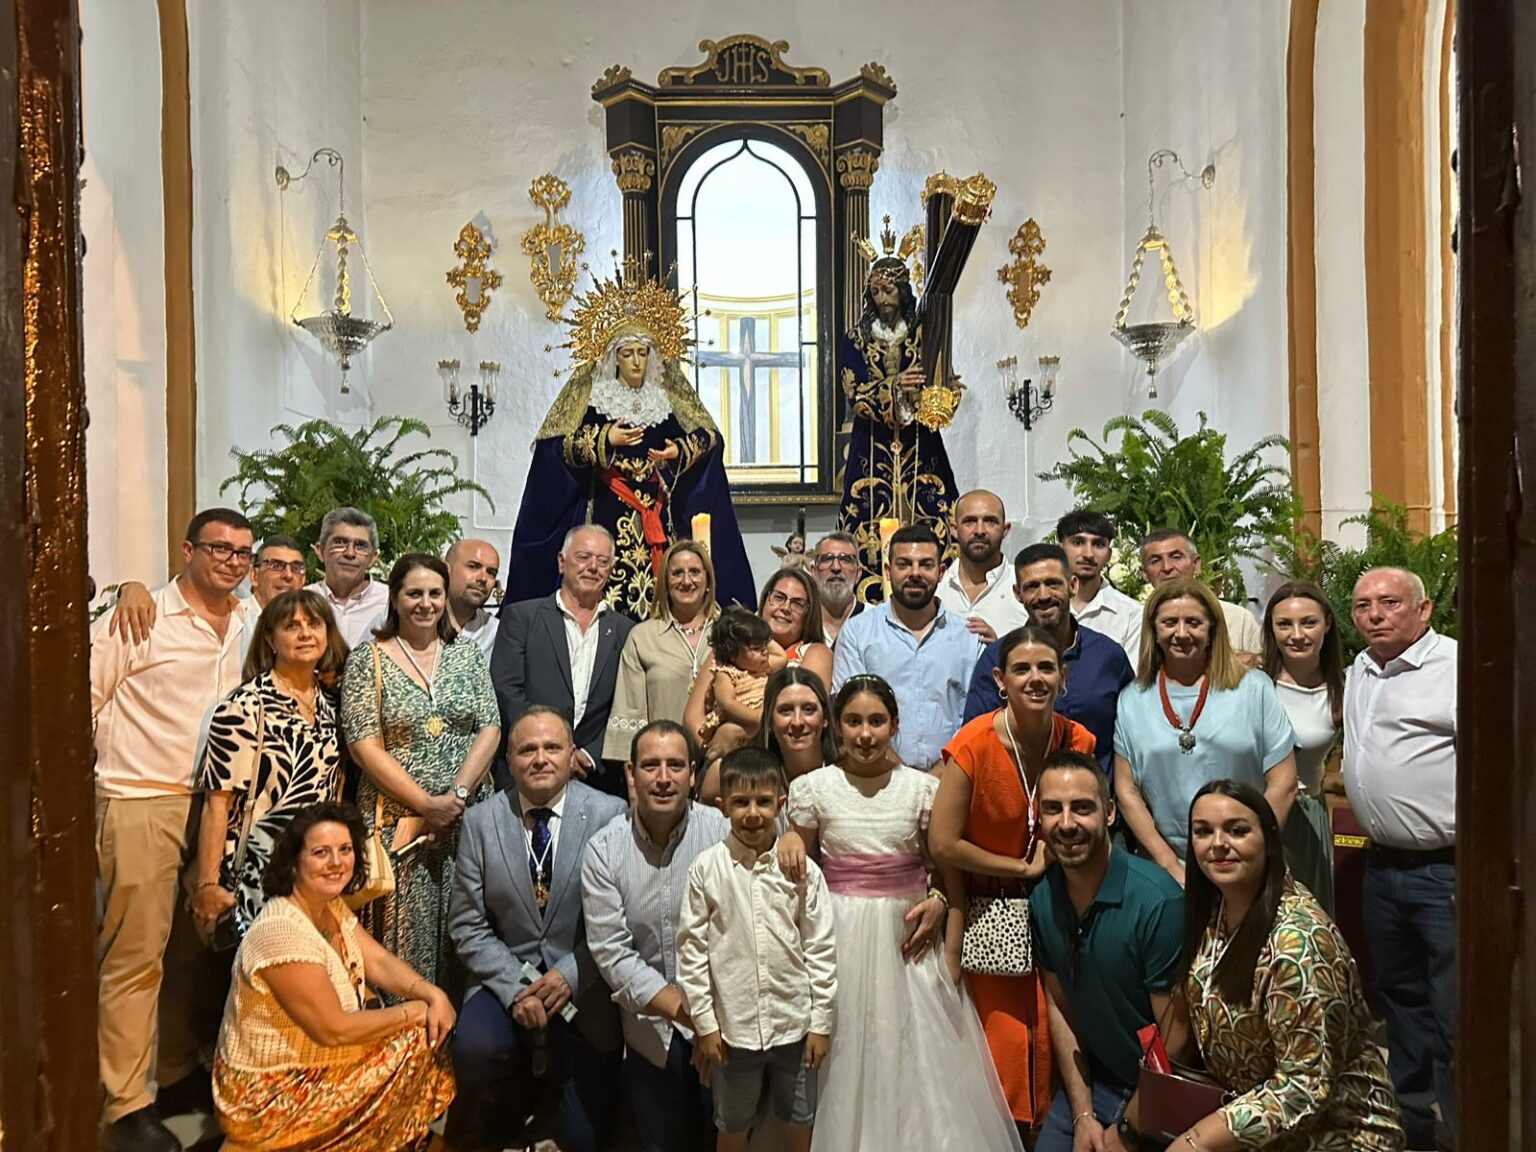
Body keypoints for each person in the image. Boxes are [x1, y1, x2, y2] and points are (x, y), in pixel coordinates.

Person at [778, 676, 1024, 1151]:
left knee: (914, 1058)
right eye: (853, 721)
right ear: (836, 726)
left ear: (895, 725)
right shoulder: (814, 789)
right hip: (838, 941)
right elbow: (801, 871)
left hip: (907, 943)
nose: (865, 734)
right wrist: (788, 836)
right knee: (846, 1053)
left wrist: (946, 924)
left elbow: (947, 872)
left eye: (876, 721)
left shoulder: (921, 790)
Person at [91, 506, 255, 1152]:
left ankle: (175, 1071)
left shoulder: (246, 621)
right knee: (135, 952)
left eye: (242, 553)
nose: (232, 562)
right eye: (219, 549)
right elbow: (84, 698)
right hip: (142, 796)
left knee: (191, 946)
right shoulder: (141, 617)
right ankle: (124, 1102)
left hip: (215, 804)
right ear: (188, 550)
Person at [506, 265, 754, 618]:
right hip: (606, 508)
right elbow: (554, 448)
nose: (636, 362)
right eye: (627, 354)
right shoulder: (591, 393)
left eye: (643, 353)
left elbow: (709, 437)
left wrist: (678, 450)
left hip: (659, 513)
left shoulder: (668, 392)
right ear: (613, 358)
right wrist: (604, 438)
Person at [1170, 780, 1406, 1151]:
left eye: (1237, 830)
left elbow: (1303, 1087)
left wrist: (1196, 1141)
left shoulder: (1299, 943)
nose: (1218, 844)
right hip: (1259, 1125)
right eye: (1203, 831)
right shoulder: (1216, 911)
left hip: (1342, 1134)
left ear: (1268, 838)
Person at [211, 802, 456, 1151]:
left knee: (426, 1029)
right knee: (417, 1037)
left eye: (345, 849)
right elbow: (334, 1029)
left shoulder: (328, 906)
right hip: (265, 1094)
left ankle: (394, 1134)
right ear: (293, 862)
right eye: (321, 853)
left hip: (312, 1064)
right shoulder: (281, 930)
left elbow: (379, 962)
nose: (337, 862)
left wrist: (433, 994)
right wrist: (412, 1011)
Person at [933, 626, 1097, 1132]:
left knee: (1056, 1036)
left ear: (1063, 678)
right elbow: (943, 843)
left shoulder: (1077, 740)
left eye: (1046, 668)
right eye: (1021, 669)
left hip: (1059, 908)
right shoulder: (974, 743)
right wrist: (1020, 868)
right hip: (991, 909)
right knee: (1003, 1046)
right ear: (1001, 680)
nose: (1035, 679)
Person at [447, 707, 626, 1152]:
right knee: (476, 1048)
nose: (540, 758)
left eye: (552, 747)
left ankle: (557, 1104)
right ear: (509, 760)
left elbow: (621, 919)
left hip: (584, 983)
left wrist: (571, 974)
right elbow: (467, 923)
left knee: (583, 1140)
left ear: (571, 755)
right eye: (527, 749)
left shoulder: (610, 813)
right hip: (506, 975)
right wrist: (516, 989)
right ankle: (508, 1109)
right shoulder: (481, 821)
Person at [340, 553, 501, 989]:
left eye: (434, 593)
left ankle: (461, 1027)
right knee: (402, 942)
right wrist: (427, 804)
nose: (426, 603)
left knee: (465, 933)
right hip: (400, 827)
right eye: (414, 593)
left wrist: (457, 797)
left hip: (465, 820)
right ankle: (407, 1029)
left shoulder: (465, 653)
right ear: (395, 598)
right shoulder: (368, 660)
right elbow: (363, 746)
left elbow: (490, 726)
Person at [1343, 567, 1457, 1152]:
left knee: (1455, 1008)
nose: (1374, 615)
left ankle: (1466, 1127)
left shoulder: (1455, 667)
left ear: (1424, 608)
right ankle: (1411, 1124)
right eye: (1363, 606)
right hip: (1382, 866)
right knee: (1399, 1000)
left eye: (1389, 603)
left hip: (1447, 868)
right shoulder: (1360, 668)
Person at [677, 747, 838, 1152]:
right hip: (735, 1031)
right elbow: (691, 952)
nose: (752, 813)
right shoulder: (706, 870)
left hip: (794, 1024)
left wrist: (821, 1023)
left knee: (799, 1120)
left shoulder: (802, 871)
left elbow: (819, 948)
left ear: (780, 804)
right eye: (741, 803)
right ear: (722, 806)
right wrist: (705, 1024)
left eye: (764, 802)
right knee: (732, 1125)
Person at [581, 720, 731, 1152]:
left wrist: (712, 1020)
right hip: (652, 1030)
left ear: (693, 774)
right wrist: (690, 1016)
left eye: (675, 765)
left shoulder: (723, 834)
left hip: (726, 1022)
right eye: (651, 766)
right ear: (631, 774)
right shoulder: (604, 850)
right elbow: (613, 955)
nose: (663, 778)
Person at [1028, 753, 1185, 1152]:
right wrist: (1082, 1114)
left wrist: (1127, 1132)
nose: (1066, 824)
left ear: (1110, 812)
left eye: (1082, 808)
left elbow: (1176, 1041)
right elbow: (1061, 1008)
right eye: (1053, 809)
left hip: (1162, 1089)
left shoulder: (1158, 903)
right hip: (1096, 1083)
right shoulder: (1043, 899)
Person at [190, 589, 350, 945]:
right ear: (270, 640)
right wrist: (207, 884)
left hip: (318, 869)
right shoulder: (244, 707)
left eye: (314, 624)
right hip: (258, 871)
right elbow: (217, 804)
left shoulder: (331, 706)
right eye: (291, 626)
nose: (305, 633)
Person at [1114, 578, 1298, 885]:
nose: (1181, 633)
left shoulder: (1254, 688)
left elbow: (1284, 782)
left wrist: (1253, 851)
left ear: (1212, 630)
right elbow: (1127, 791)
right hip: (1166, 869)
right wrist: (1170, 865)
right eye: (1169, 622)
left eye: (1193, 622)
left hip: (1247, 862)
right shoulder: (1132, 699)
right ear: (1154, 630)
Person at [836, 237, 959, 604]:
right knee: (864, 524)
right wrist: (894, 387)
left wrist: (945, 388)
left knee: (935, 512)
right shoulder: (855, 339)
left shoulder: (926, 332)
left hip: (921, 445)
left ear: (903, 291)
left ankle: (936, 594)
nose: (883, 299)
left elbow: (938, 375)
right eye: (876, 292)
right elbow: (855, 393)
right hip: (871, 446)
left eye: (889, 290)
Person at [963, 543, 1135, 782]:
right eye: (1032, 586)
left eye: (1053, 583)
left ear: (1072, 585)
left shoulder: (1107, 656)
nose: (1043, 596)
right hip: (1020, 798)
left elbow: (1132, 740)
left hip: (1095, 800)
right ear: (1017, 594)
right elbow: (976, 743)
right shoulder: (997, 658)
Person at [492, 525, 636, 794]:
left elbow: (627, 706)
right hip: (527, 774)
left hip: (595, 781)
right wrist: (552, 751)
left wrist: (589, 756)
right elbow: (507, 690)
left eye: (602, 561)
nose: (593, 567)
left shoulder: (626, 631)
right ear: (562, 562)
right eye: (583, 557)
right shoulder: (521, 618)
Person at [831, 525, 984, 771]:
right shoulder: (857, 633)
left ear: (941, 572)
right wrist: (904, 778)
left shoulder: (969, 637)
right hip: (879, 778)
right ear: (888, 571)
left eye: (926, 565)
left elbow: (977, 717)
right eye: (904, 564)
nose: (915, 573)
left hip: (955, 776)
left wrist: (944, 772)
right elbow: (849, 711)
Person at [683, 567, 834, 764]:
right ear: (765, 600)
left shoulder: (816, 653)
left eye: (797, 603)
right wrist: (714, 748)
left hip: (780, 766)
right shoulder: (728, 650)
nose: (785, 608)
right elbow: (693, 717)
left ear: (809, 614)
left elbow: (805, 719)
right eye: (779, 597)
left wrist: (737, 733)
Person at [1262, 580, 1343, 914]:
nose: (1297, 635)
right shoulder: (1254, 681)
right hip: (1254, 811)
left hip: (1305, 816)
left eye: (1308, 623)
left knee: (1305, 919)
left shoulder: (1343, 690)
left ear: (1327, 624)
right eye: (1284, 624)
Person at [603, 539, 719, 762]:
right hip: (663, 765)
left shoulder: (729, 633)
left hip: (720, 764)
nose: (686, 581)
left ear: (708, 581)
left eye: (695, 572)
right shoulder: (643, 637)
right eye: (677, 573)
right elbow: (630, 712)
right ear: (665, 582)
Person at [1138, 529, 1263, 662]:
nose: (1167, 567)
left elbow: (1262, 665)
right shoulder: (1134, 621)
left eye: (1176, 557)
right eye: (1155, 561)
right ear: (1144, 573)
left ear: (1196, 564)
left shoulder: (1238, 619)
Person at [938, 489, 1029, 641]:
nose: (979, 531)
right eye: (969, 521)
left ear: (1005, 530)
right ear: (954, 529)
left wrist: (998, 649)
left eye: (990, 521)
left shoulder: (1026, 587)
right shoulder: (936, 588)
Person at [1057, 509, 1142, 660]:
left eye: (1098, 544)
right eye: (1078, 542)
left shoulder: (1131, 614)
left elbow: (1131, 672)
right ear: (1060, 549)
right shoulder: (1044, 607)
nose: (1088, 554)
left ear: (1109, 555)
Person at [695, 606, 782, 752]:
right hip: (737, 725)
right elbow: (727, 702)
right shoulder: (726, 673)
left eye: (765, 645)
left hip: (760, 731)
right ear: (732, 652)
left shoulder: (761, 667)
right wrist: (756, 717)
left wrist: (756, 629)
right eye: (756, 648)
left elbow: (781, 657)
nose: (765, 651)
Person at [308, 507, 391, 649]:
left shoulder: (391, 603)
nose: (350, 553)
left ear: (373, 558)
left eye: (361, 546)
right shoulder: (303, 601)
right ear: (320, 551)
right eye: (340, 542)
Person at [443, 538, 502, 660]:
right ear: (446, 570)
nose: (483, 578)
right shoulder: (420, 623)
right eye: (473, 567)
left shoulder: (496, 633)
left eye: (491, 572)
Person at [809, 531, 862, 648]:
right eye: (827, 559)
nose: (836, 567)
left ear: (858, 574)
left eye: (846, 559)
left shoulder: (877, 621)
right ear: (813, 572)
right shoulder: (800, 620)